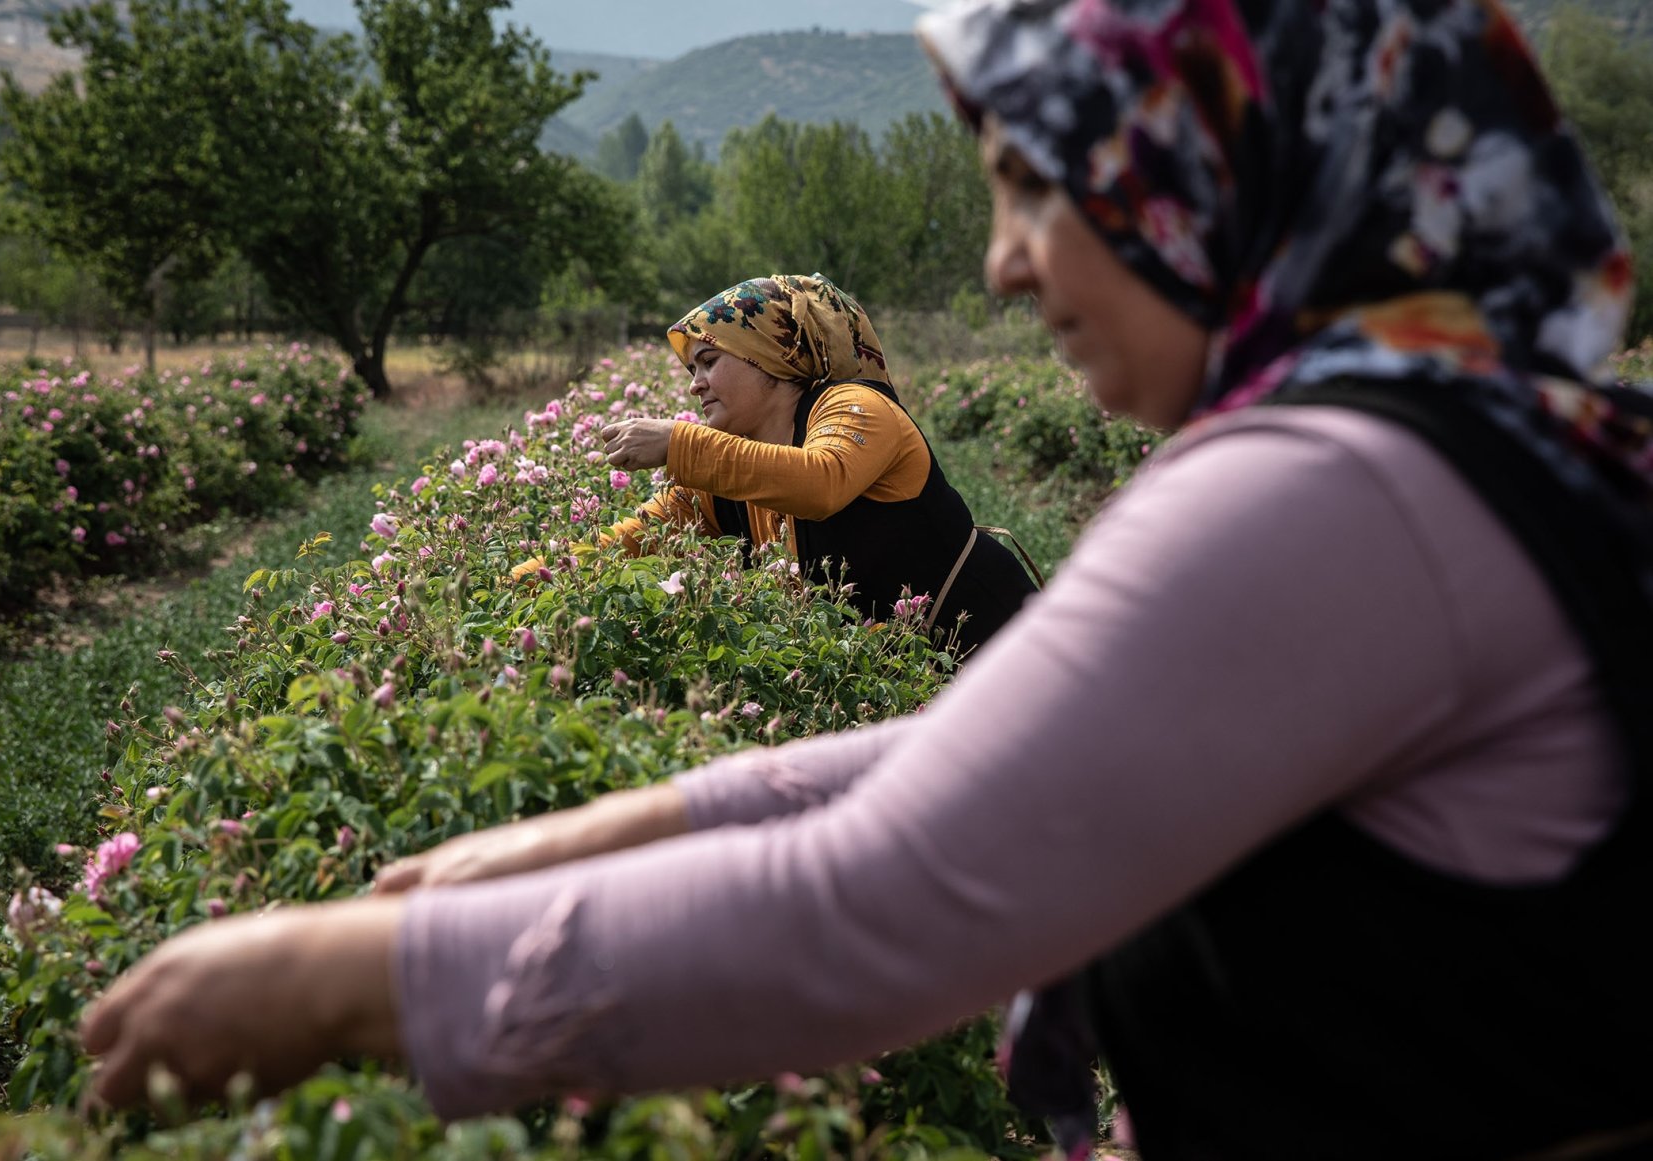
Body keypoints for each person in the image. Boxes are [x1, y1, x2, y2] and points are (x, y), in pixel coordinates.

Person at [81, 0, 1653, 1156]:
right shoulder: (1467, 443)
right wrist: (563, 840)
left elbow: (878, 900)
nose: (1002, 260)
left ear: (1227, 165)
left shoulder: (1332, 486)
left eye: (1041, 184)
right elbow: (988, 766)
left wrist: (334, 981)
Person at [528, 273, 1038, 658]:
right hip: (906, 680)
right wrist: (521, 585)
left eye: (709, 362)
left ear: (770, 356)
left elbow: (821, 481)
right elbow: (625, 542)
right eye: (692, 369)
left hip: (992, 647)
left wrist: (678, 444)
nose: (694, 385)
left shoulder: (856, 406)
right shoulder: (726, 467)